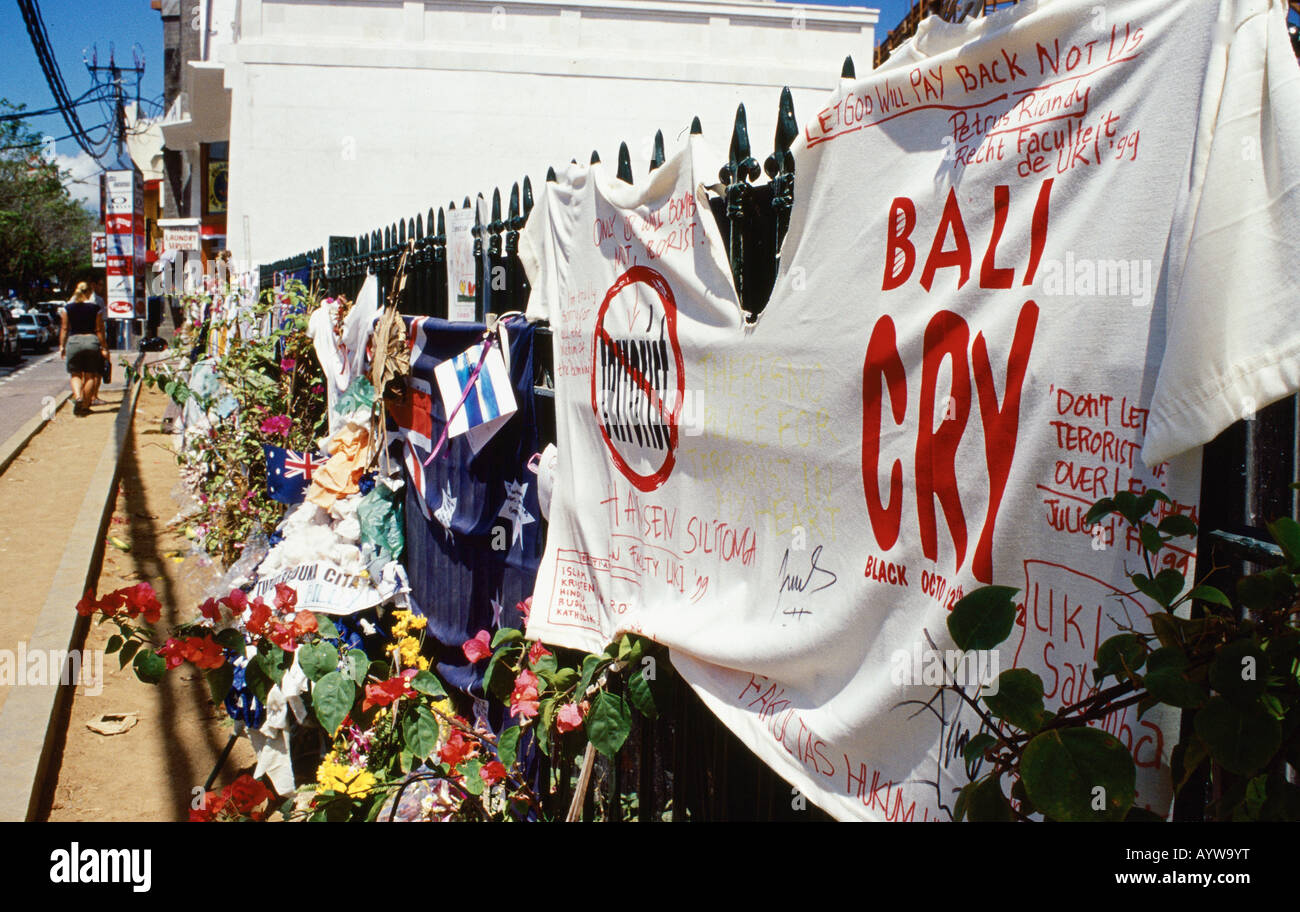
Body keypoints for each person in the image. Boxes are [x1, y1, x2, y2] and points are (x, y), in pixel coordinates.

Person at [59, 282, 109, 416]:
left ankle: (78, 397)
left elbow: (64, 328)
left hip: (74, 341)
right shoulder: (95, 308)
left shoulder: (67, 308)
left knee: (75, 374)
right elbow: (99, 330)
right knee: (90, 375)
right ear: (89, 293)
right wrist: (104, 347)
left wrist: (62, 346)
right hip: (91, 341)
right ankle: (85, 405)